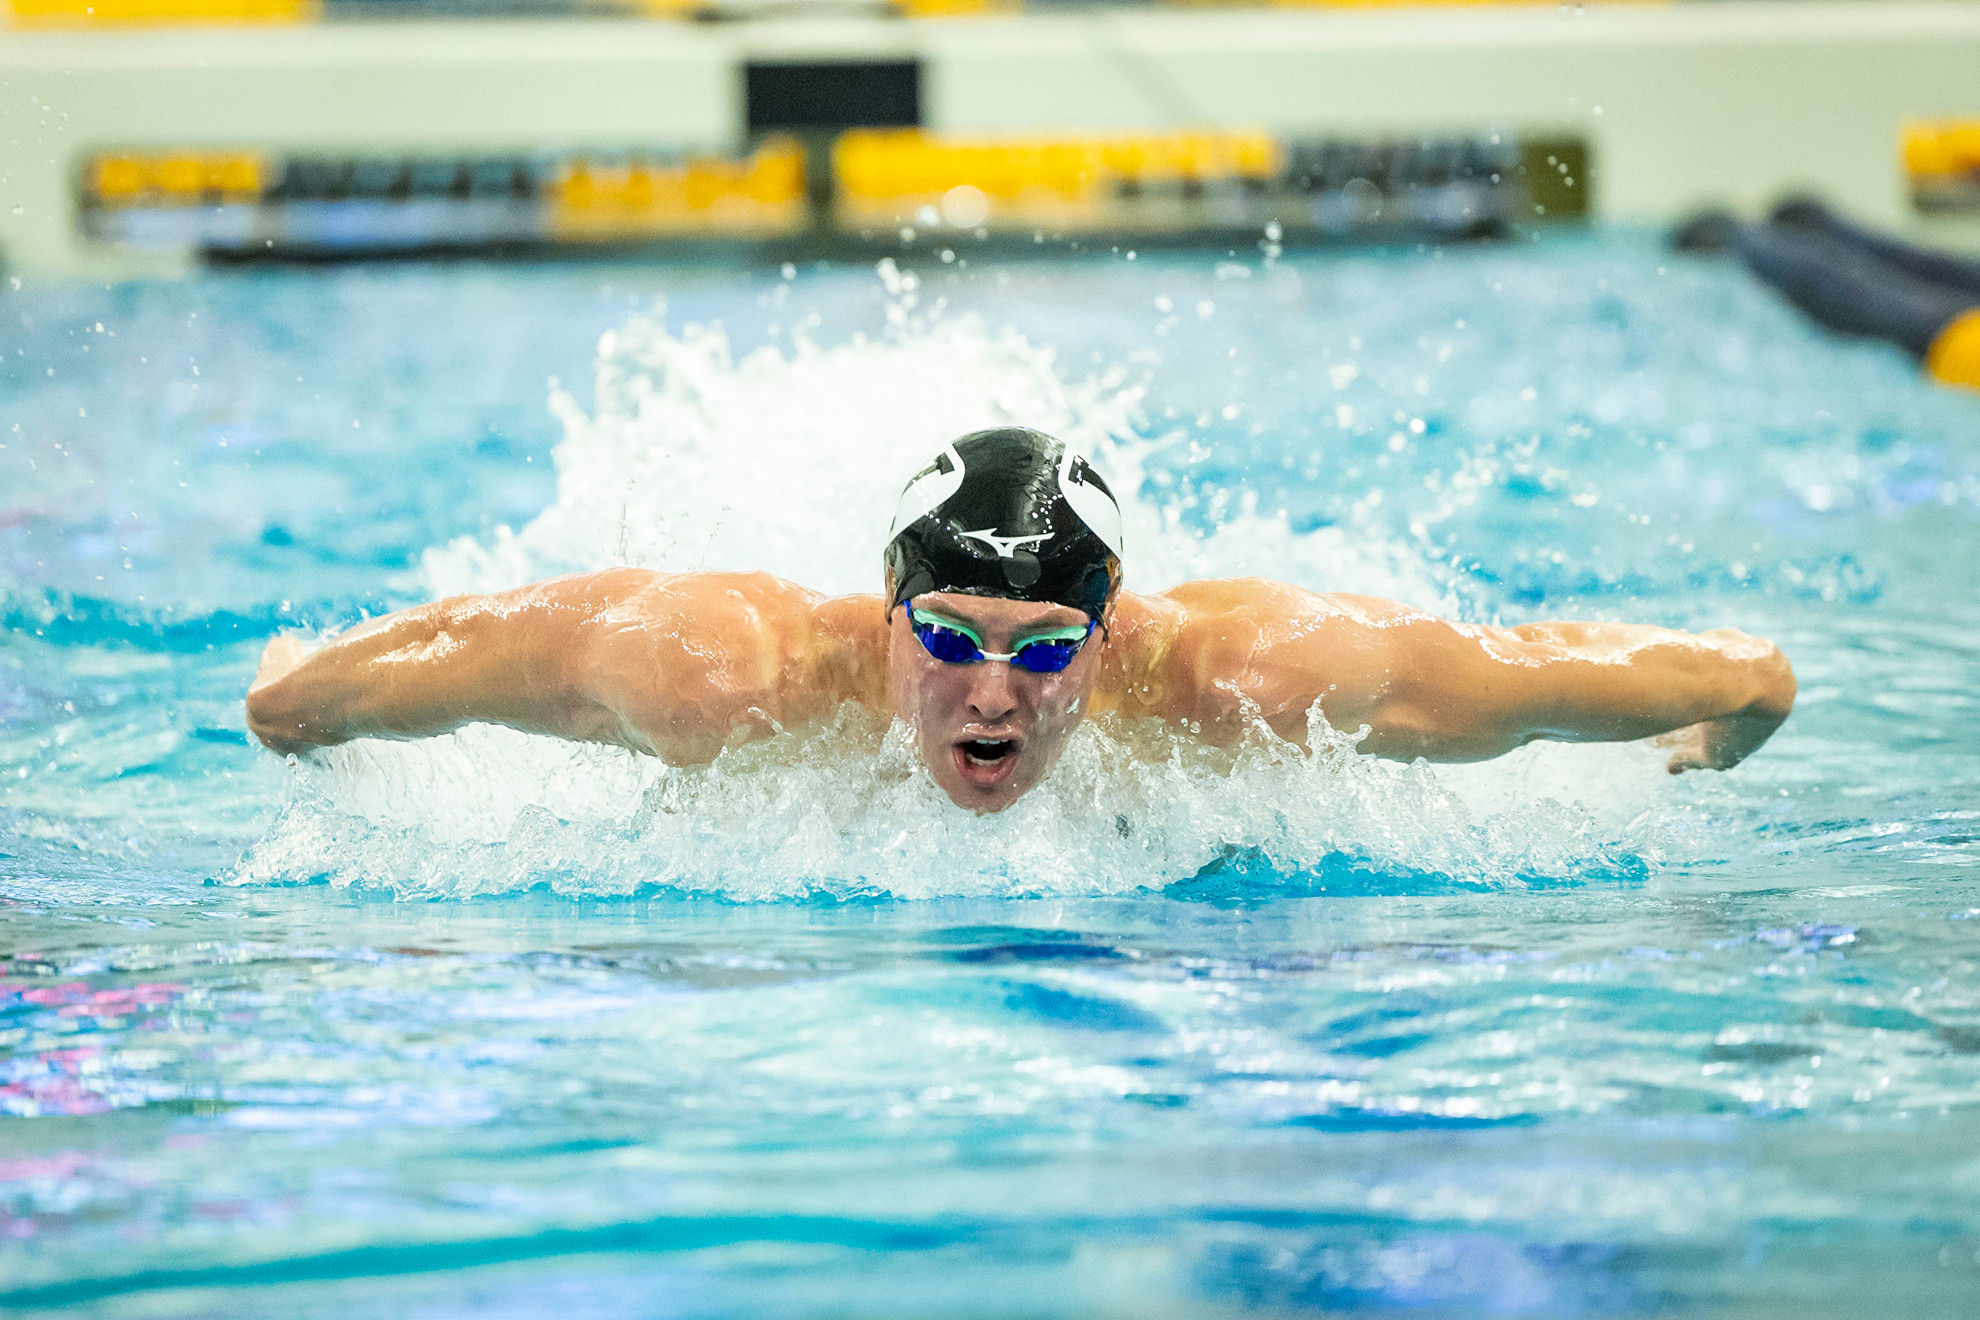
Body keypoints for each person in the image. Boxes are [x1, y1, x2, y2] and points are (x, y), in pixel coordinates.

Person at [247, 427, 1795, 814]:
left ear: (1111, 642)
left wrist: (1732, 711)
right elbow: (478, 649)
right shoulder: (729, 669)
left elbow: (1526, 678)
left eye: (1044, 647)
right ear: (888, 611)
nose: (992, 693)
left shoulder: (1249, 678)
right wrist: (297, 702)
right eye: (954, 636)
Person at [1675, 197, 1980, 391]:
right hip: (1959, 338)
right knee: (1855, 294)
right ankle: (1736, 238)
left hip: (1960, 336)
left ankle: (1802, 223)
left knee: (1898, 277)